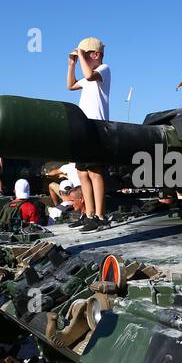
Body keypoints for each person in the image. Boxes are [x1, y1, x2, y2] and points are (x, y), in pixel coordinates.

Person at [66, 37, 111, 232]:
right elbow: (70, 85)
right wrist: (72, 64)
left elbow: (89, 75)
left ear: (96, 55)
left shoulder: (104, 69)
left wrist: (82, 58)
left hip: (97, 124)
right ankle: (89, 214)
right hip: (84, 125)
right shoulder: (87, 73)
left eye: (86, 54)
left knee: (95, 171)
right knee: (82, 172)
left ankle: (100, 216)